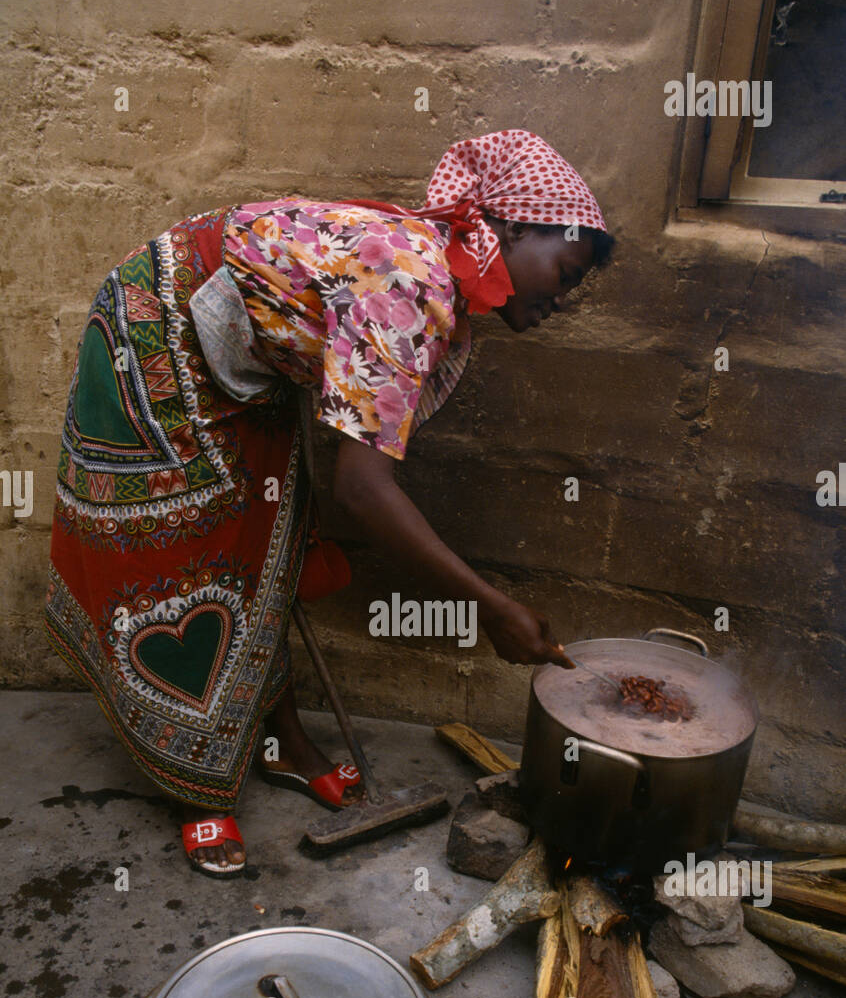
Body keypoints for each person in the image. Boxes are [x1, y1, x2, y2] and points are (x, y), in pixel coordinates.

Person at [45, 129, 614, 878]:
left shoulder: (430, 276)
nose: (561, 300)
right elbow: (362, 489)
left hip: (248, 354)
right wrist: (490, 606)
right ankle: (194, 785)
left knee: (269, 536)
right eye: (565, 272)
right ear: (508, 226)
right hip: (156, 328)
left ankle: (282, 742)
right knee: (184, 556)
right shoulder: (411, 287)